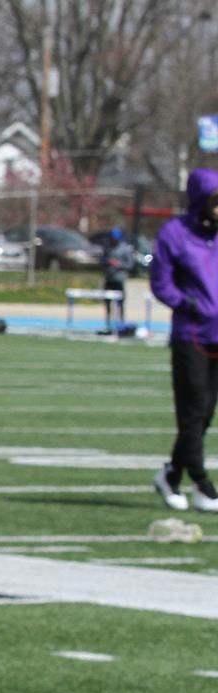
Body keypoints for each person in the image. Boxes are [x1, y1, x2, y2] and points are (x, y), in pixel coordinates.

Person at [150, 169, 218, 514]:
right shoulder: (174, 234)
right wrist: (187, 303)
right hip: (190, 335)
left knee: (205, 415)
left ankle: (172, 474)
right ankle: (203, 483)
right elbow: (160, 283)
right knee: (191, 413)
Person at [101, 227, 134, 334]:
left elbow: (130, 265)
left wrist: (119, 264)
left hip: (119, 280)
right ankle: (108, 325)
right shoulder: (107, 247)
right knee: (107, 303)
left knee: (120, 303)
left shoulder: (125, 249)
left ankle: (121, 325)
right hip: (109, 279)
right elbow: (102, 260)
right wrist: (107, 262)